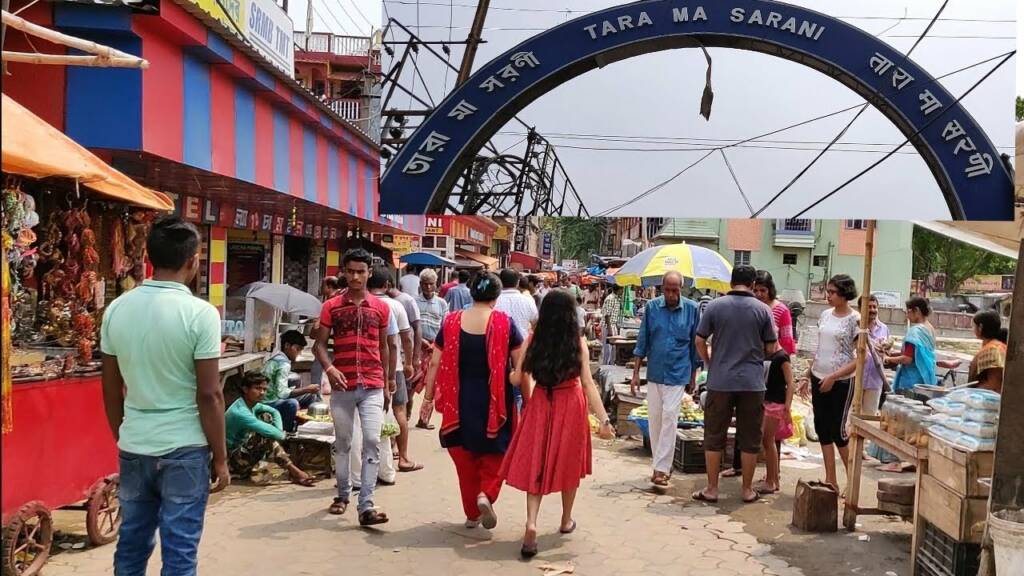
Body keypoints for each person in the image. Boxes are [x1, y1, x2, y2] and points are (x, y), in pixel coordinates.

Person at [100, 216, 228, 575]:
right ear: (193, 260)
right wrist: (221, 458)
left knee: (131, 545)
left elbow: (110, 388)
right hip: (185, 449)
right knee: (180, 552)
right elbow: (210, 395)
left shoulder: (116, 309)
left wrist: (125, 436)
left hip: (135, 445)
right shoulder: (201, 314)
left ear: (149, 256)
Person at [501, 289, 615, 558]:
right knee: (569, 463)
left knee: (536, 463)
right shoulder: (577, 341)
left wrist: (509, 374)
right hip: (571, 405)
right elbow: (588, 383)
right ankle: (565, 519)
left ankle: (531, 522)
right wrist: (604, 420)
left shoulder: (533, 339)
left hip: (541, 403)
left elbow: (517, 378)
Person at [420, 272, 525, 531]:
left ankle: (471, 514)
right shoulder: (505, 323)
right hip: (496, 403)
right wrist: (529, 400)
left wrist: (428, 398)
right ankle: (486, 494)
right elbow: (521, 366)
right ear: (496, 297)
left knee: (464, 459)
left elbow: (434, 362)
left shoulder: (451, 322)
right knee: (497, 453)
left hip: (459, 402)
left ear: (471, 293)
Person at [314, 248, 394, 526]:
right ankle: (342, 494)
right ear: (344, 272)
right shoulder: (331, 306)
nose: (356, 277)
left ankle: (366, 504)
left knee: (371, 441)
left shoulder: (381, 308)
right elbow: (319, 345)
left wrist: (387, 383)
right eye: (351, 271)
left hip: (372, 384)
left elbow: (384, 346)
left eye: (361, 272)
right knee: (344, 444)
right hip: (342, 385)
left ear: (369, 273)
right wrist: (330, 368)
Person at [693, 265, 777, 504]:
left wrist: (710, 363)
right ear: (752, 284)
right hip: (752, 382)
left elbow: (699, 340)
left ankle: (712, 489)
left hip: (720, 381)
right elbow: (771, 347)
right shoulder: (763, 310)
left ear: (731, 283)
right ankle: (747, 490)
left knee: (714, 435)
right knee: (749, 438)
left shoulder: (715, 306)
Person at [630, 272, 701, 488]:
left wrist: (693, 376)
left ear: (681, 289)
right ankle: (660, 464)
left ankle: (661, 469)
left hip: (678, 373)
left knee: (670, 416)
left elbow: (694, 345)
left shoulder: (692, 309)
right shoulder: (652, 308)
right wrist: (635, 373)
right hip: (655, 372)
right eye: (668, 290)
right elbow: (643, 341)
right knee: (655, 420)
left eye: (675, 290)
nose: (671, 295)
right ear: (662, 288)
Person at [802, 274, 860, 493]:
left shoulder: (855, 320)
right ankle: (830, 479)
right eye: (828, 291)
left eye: (833, 292)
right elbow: (819, 349)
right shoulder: (825, 315)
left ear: (845, 294)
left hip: (841, 381)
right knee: (822, 428)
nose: (828, 296)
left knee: (838, 431)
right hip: (818, 375)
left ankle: (852, 482)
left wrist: (834, 377)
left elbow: (860, 358)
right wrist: (807, 375)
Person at [371, 266, 421, 473]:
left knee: (370, 412)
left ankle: (374, 459)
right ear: (387, 285)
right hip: (395, 367)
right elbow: (406, 338)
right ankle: (403, 457)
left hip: (370, 367)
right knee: (399, 409)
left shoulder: (364, 303)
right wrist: (409, 362)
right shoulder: (396, 305)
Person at [225, 372, 315, 486]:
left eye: (264, 389)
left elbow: (274, 411)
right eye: (257, 388)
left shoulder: (251, 404)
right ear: (245, 389)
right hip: (231, 461)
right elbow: (274, 434)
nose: (262, 392)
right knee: (266, 436)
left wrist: (279, 431)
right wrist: (281, 435)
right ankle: (295, 472)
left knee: (266, 417)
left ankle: (292, 470)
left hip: (242, 451)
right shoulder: (240, 412)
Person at [262, 330, 320, 433]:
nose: (299, 353)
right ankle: (286, 431)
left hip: (272, 397)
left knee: (311, 396)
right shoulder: (283, 364)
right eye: (297, 349)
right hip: (269, 402)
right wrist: (306, 389)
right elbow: (282, 394)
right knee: (292, 403)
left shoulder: (275, 359)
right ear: (287, 346)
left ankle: (304, 426)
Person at [414, 268, 449, 429]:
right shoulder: (414, 302)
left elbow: (445, 327)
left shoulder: (441, 303)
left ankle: (424, 419)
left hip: (435, 349)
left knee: (432, 385)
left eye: (431, 284)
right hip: (417, 348)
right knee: (412, 383)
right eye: (425, 284)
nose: (428, 287)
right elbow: (409, 326)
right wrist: (420, 341)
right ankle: (406, 414)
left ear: (436, 285)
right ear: (420, 284)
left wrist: (436, 344)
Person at [884, 296, 938, 396]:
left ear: (916, 310)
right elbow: (918, 353)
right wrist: (894, 354)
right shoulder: (930, 329)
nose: (907, 316)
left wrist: (887, 359)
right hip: (926, 379)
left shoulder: (915, 331)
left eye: (908, 312)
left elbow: (907, 359)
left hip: (912, 381)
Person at [754, 272, 796, 355]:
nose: (758, 294)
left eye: (763, 290)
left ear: (770, 290)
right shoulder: (750, 308)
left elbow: (787, 341)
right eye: (755, 290)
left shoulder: (782, 310)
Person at [310, 277, 341, 389]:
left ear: (329, 287)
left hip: (327, 346)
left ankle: (315, 394)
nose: (320, 288)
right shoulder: (341, 300)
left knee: (316, 371)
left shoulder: (329, 304)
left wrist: (313, 329)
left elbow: (316, 328)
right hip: (337, 345)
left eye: (322, 285)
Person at [969, 310, 1007, 393]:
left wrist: (969, 393)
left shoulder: (993, 350)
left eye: (974, 326)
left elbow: (994, 385)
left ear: (980, 327)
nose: (973, 329)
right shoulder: (992, 346)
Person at [601, 285, 624, 365]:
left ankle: (611, 364)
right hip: (608, 326)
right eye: (622, 289)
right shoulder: (610, 298)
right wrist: (610, 330)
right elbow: (607, 315)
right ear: (618, 290)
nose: (623, 291)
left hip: (613, 325)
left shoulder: (617, 299)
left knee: (613, 348)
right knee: (607, 349)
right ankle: (605, 366)